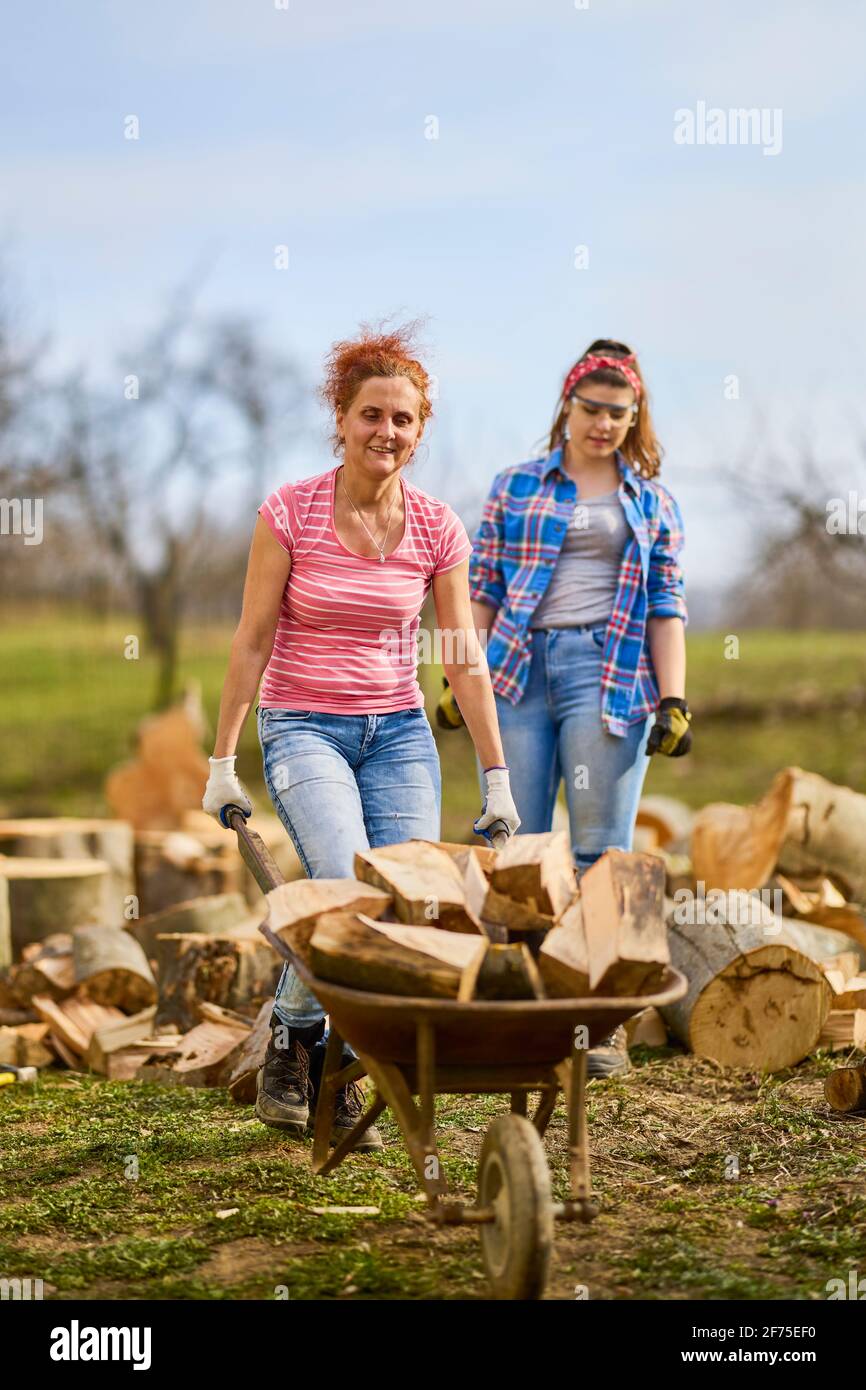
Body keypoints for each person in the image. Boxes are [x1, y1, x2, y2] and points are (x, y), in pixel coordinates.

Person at [202, 323, 520, 1150]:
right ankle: (294, 1043)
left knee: (401, 906)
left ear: (421, 431)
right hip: (303, 724)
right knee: (341, 883)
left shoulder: (438, 528)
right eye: (371, 414)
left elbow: (463, 659)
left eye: (403, 419)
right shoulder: (290, 512)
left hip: (400, 736)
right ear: (340, 418)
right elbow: (252, 639)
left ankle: (333, 1070)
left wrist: (496, 778)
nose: (387, 432)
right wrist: (220, 760)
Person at [463, 338, 690, 1078]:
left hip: (610, 672)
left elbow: (666, 605)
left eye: (619, 413)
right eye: (591, 409)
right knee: (518, 845)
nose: (603, 424)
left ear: (634, 417)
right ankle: (521, 1012)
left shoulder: (651, 501)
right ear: (567, 406)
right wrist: (457, 674)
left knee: (599, 852)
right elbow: (482, 588)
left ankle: (599, 1023)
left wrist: (676, 695)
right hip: (518, 671)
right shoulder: (516, 485)